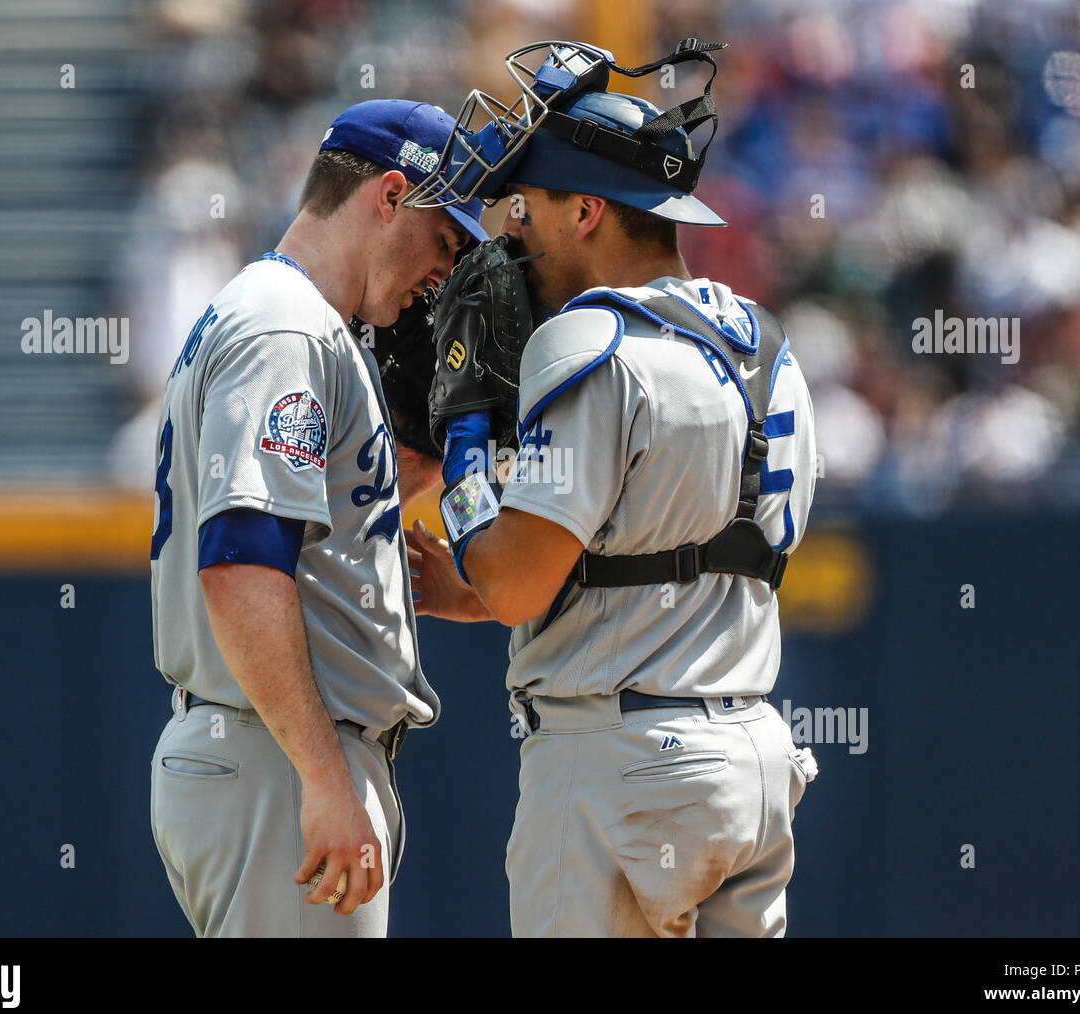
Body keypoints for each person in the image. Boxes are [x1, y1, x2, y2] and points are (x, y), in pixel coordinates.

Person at [405, 41, 819, 937]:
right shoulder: (767, 345)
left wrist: (468, 438)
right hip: (750, 763)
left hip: (622, 770)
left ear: (586, 210)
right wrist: (477, 593)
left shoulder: (590, 340)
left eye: (528, 207)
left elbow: (517, 581)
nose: (511, 231)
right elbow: (661, 558)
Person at [148, 98, 487, 938]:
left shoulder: (293, 322)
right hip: (275, 759)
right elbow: (240, 565)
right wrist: (325, 777)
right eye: (446, 239)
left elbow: (297, 531)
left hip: (265, 754)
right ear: (390, 196)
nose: (445, 272)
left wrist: (411, 480)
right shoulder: (286, 326)